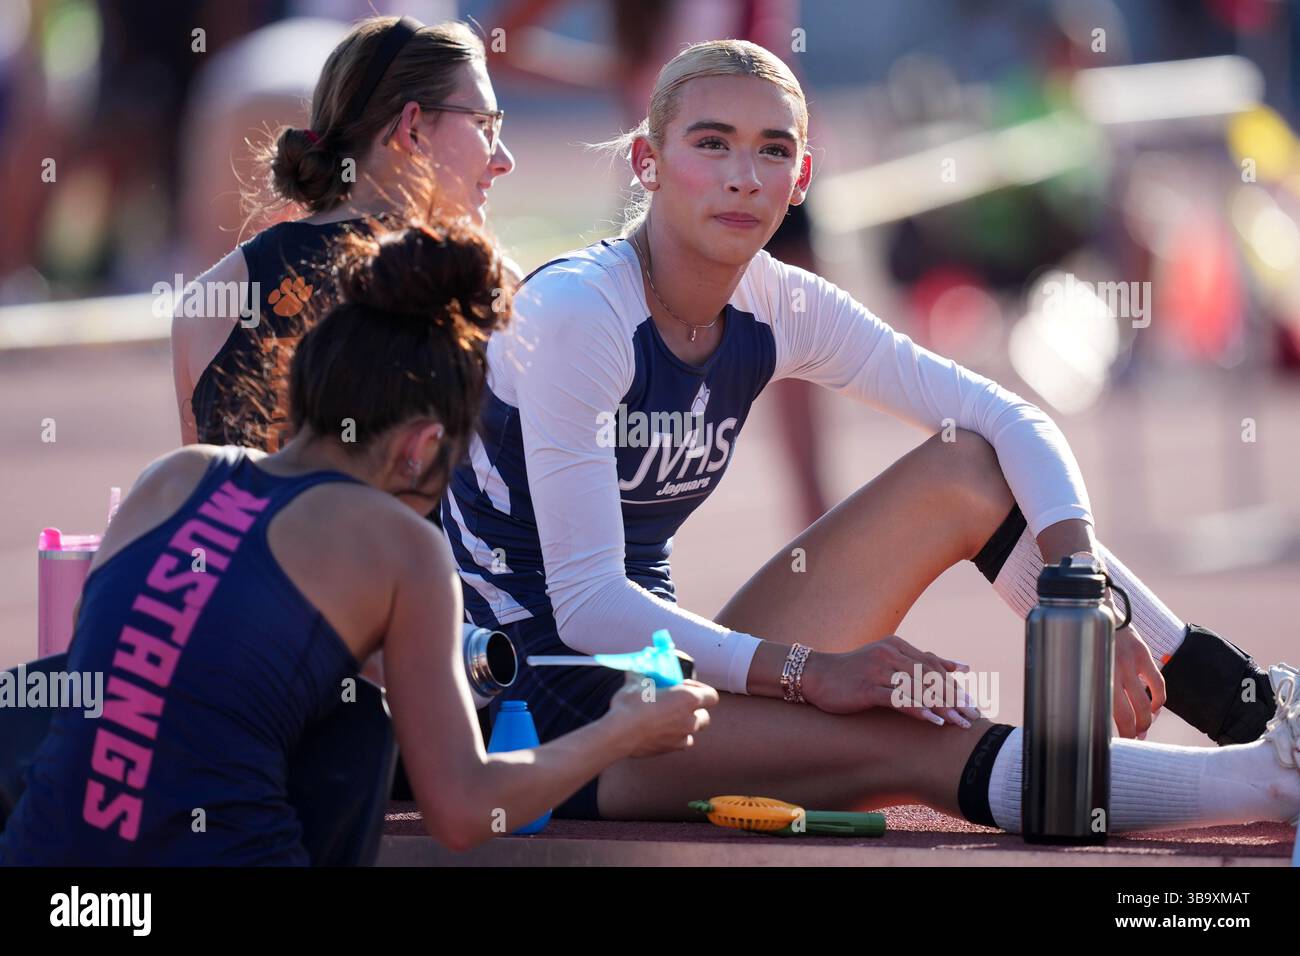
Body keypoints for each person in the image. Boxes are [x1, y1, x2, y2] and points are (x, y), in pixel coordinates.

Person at [442, 38, 1300, 831]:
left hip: (666, 673)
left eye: (773, 150)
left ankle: (1245, 703)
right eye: (712, 143)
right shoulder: (581, 313)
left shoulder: (779, 301)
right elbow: (590, 608)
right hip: (547, 713)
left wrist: (1088, 600)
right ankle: (1268, 784)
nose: (744, 176)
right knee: (913, 736)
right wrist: (811, 674)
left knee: (966, 467)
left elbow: (1007, 416)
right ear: (647, 162)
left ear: (802, 175)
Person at [0, 217, 717, 865]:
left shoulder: (169, 479)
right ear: (421, 446)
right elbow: (465, 811)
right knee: (359, 719)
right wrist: (623, 731)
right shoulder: (401, 549)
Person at [171, 15, 516, 450]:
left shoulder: (206, 298)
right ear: (411, 126)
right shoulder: (475, 284)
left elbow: (199, 497)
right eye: (484, 124)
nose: (504, 159)